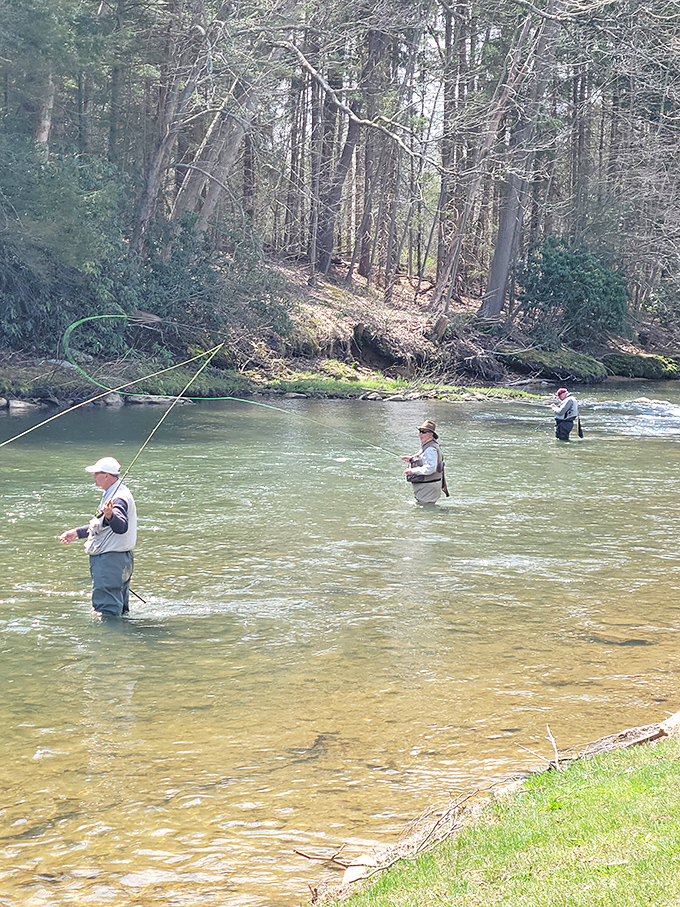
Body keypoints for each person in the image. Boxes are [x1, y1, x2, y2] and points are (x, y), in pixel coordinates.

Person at [59, 456, 137, 618]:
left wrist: (110, 515)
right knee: (120, 609)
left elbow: (121, 526)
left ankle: (108, 641)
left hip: (110, 560)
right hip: (120, 559)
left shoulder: (118, 498)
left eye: (96, 473)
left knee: (107, 610)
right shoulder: (115, 492)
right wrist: (77, 532)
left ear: (107, 475)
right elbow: (104, 526)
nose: (94, 477)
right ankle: (124, 638)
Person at [402, 420, 448, 504]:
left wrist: (412, 471)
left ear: (431, 434)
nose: (420, 434)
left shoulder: (430, 449)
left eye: (424, 432)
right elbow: (424, 459)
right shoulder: (428, 445)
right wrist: (412, 459)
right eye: (420, 431)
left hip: (428, 487)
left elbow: (430, 468)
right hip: (426, 486)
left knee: (426, 509)